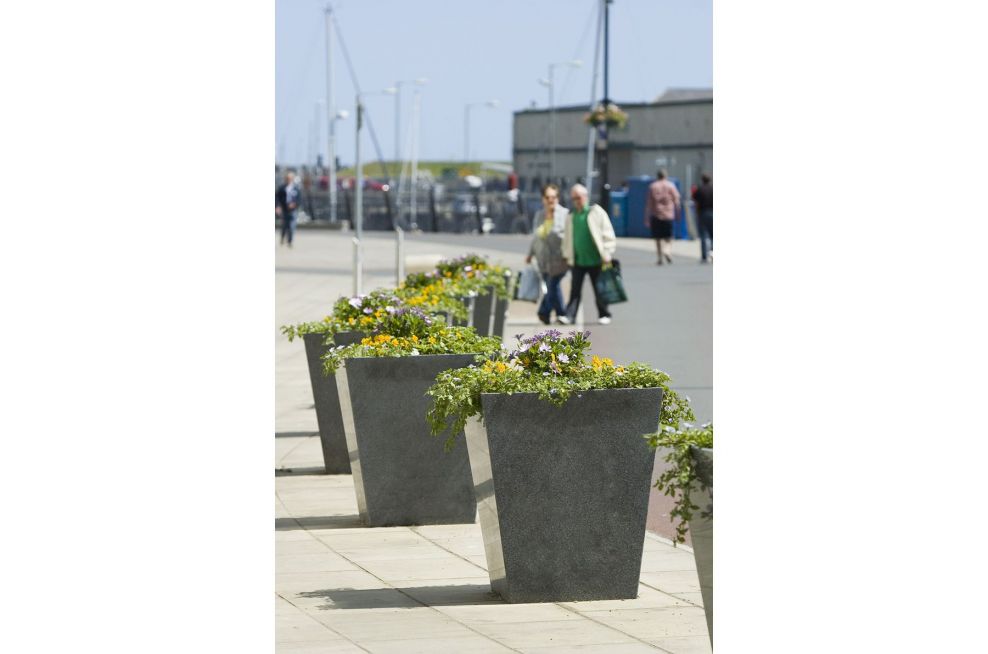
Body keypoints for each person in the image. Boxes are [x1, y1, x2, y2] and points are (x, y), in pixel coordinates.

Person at [562, 183, 617, 325]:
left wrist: (607, 253)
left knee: (599, 290)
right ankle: (570, 316)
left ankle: (604, 313)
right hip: (578, 260)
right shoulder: (571, 216)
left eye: (578, 198)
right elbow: (567, 238)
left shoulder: (596, 212)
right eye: (573, 198)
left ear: (585, 197)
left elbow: (608, 233)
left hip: (596, 260)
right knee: (575, 291)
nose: (576, 201)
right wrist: (566, 255)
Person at [525, 184, 571, 325]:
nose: (551, 200)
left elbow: (566, 236)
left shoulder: (564, 214)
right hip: (543, 259)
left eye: (554, 197)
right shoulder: (540, 215)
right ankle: (561, 313)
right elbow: (536, 237)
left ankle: (544, 312)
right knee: (553, 287)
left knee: (553, 284)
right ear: (543, 199)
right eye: (547, 197)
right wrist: (530, 254)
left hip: (560, 259)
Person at [645, 169, 681, 265]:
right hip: (668, 214)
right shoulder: (671, 185)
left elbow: (649, 204)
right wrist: (678, 213)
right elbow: (676, 200)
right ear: (666, 176)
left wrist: (647, 218)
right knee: (669, 237)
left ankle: (660, 258)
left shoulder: (653, 186)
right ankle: (667, 250)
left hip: (656, 215)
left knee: (657, 238)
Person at [275, 170, 302, 247]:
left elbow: (299, 199)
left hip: (293, 210)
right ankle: (282, 237)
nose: (288, 179)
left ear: (292, 179)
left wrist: (295, 204)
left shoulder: (296, 189)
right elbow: (277, 198)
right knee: (284, 225)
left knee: (291, 226)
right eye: (287, 178)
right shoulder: (282, 188)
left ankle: (290, 241)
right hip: (284, 209)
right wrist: (277, 207)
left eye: (290, 178)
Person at [692, 173, 713, 262]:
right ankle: (713, 252)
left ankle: (704, 256)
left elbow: (696, 203)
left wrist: (696, 213)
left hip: (703, 213)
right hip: (713, 212)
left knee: (703, 235)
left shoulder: (699, 190)